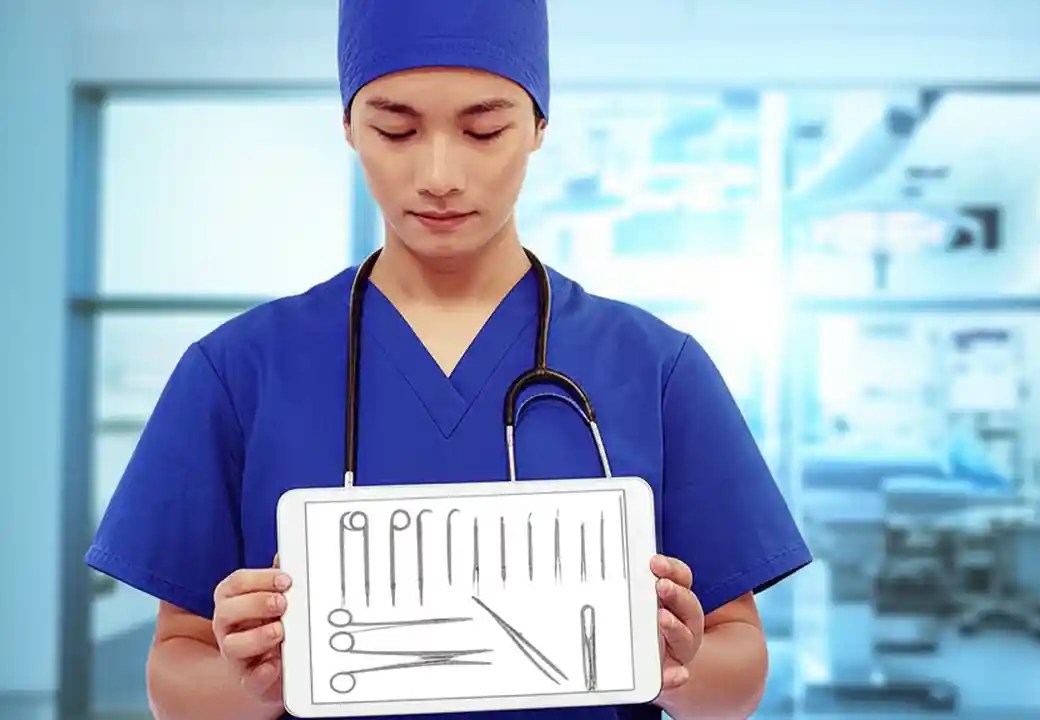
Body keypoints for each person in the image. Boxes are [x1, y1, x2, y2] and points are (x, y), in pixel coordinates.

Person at [84, 1, 811, 718]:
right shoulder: (238, 372)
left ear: (538, 127)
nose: (439, 174)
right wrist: (256, 683)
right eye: (395, 130)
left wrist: (669, 663)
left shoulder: (656, 369)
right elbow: (174, 672)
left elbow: (737, 675)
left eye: (484, 129)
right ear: (347, 125)